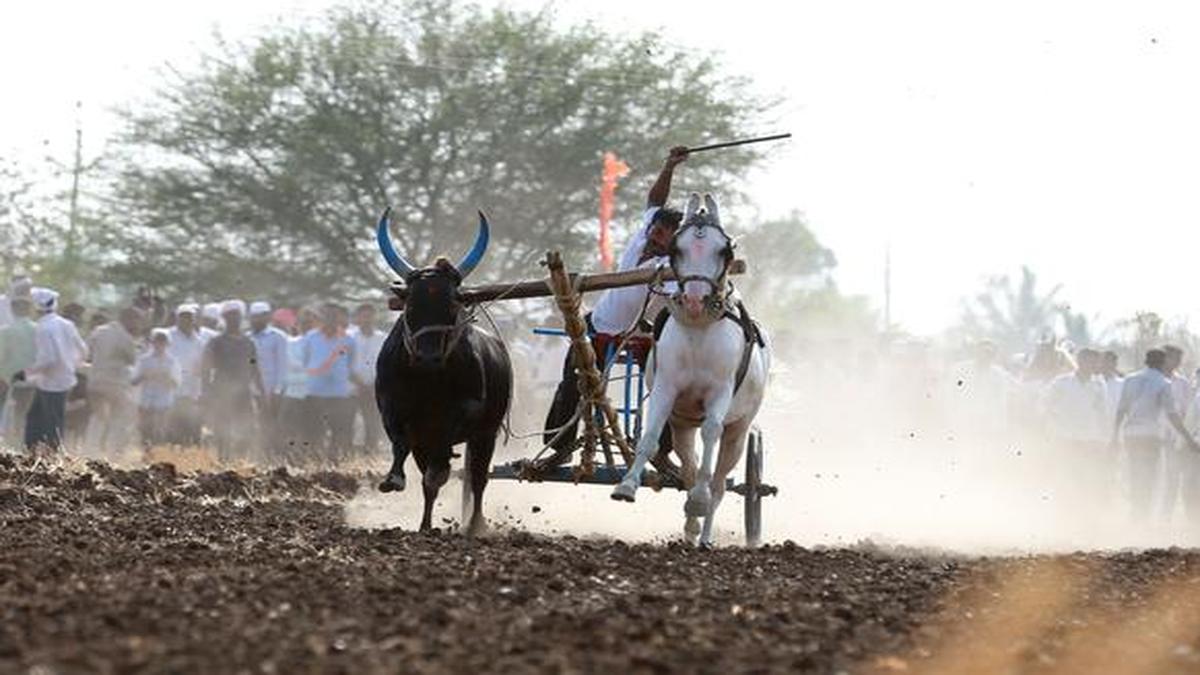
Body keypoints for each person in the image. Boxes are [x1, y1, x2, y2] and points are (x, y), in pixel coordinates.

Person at [542, 146, 688, 457]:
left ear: (674, 240)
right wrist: (669, 167)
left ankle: (661, 449)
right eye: (653, 228)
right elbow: (655, 200)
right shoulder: (641, 237)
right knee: (574, 378)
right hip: (599, 325)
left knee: (665, 387)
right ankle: (560, 443)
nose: (653, 235)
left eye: (661, 233)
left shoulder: (676, 272)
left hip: (642, 337)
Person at [1113, 348, 1200, 524]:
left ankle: (1135, 513)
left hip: (1131, 434)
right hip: (1152, 436)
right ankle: (1143, 514)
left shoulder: (1130, 379)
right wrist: (1188, 438)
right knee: (1151, 476)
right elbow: (1172, 415)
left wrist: (1115, 434)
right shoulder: (1163, 382)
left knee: (1135, 473)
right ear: (1162, 362)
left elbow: (1121, 409)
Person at [21, 288, 88, 453]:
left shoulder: (42, 328)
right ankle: (32, 452)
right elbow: (84, 350)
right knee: (36, 418)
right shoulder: (66, 324)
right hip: (63, 379)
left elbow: (48, 359)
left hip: (51, 382)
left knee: (51, 422)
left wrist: (26, 373)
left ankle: (51, 456)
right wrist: (72, 365)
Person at [1042, 348, 1109, 508]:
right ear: (1079, 361)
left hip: (1090, 438)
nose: (1092, 364)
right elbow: (1045, 403)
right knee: (1064, 474)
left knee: (1086, 476)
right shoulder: (1062, 382)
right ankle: (1063, 509)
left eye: (1095, 361)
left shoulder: (1099, 385)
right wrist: (1053, 421)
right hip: (1065, 437)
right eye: (1089, 360)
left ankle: (1083, 510)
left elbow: (1103, 413)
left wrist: (1104, 438)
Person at [201, 301, 263, 462]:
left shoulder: (248, 343)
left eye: (236, 315)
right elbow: (205, 369)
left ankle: (242, 460)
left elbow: (255, 368)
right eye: (230, 316)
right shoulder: (216, 342)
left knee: (248, 428)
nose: (233, 319)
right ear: (224, 318)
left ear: (241, 318)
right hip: (222, 390)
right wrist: (206, 392)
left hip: (243, 391)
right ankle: (224, 460)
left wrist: (262, 391)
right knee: (223, 429)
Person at [300, 303, 358, 462]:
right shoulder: (310, 337)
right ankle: (314, 460)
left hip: (338, 392)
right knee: (314, 429)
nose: (330, 319)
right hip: (315, 391)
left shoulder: (348, 340)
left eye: (334, 315)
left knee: (338, 429)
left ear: (338, 317)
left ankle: (333, 461)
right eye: (327, 315)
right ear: (321, 317)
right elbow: (305, 360)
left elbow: (351, 363)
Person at [84, 307, 144, 457]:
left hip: (96, 380)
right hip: (116, 383)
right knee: (120, 417)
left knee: (98, 416)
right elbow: (132, 359)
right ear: (129, 319)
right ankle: (113, 452)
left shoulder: (99, 331)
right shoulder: (126, 337)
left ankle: (90, 450)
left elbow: (87, 353)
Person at [248, 301, 289, 460]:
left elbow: (283, 366)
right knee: (256, 427)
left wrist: (277, 391)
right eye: (254, 317)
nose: (257, 320)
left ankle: (275, 459)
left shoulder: (278, 337)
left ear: (267, 317)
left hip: (273, 392)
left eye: (261, 316)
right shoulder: (246, 337)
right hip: (254, 391)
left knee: (274, 427)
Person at [167, 304, 212, 446]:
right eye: (183, 317)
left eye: (189, 317)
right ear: (177, 319)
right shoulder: (168, 337)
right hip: (171, 392)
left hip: (192, 392)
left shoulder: (200, 342)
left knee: (193, 429)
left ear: (194, 320)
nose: (186, 320)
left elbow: (204, 368)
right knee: (172, 430)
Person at [132, 329, 180, 451]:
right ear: (152, 343)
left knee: (160, 430)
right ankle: (145, 454)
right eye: (157, 342)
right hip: (146, 400)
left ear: (167, 344)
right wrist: (145, 375)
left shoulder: (172, 362)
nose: (159, 345)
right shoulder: (144, 360)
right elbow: (133, 381)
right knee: (145, 429)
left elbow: (176, 383)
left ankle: (158, 453)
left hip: (164, 401)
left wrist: (166, 378)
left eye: (163, 342)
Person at [348, 302, 386, 455]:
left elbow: (384, 363)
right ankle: (347, 455)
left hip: (373, 389)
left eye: (369, 316)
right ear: (357, 318)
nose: (367, 319)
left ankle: (370, 455)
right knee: (347, 423)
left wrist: (373, 385)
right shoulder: (349, 337)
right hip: (351, 388)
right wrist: (358, 382)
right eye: (363, 316)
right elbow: (344, 362)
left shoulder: (382, 338)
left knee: (372, 424)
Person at [0, 293, 37, 445]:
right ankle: (18, 444)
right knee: (22, 414)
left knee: (3, 412)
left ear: (13, 310)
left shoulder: (5, 330)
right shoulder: (38, 330)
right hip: (30, 378)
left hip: (5, 377)